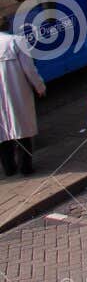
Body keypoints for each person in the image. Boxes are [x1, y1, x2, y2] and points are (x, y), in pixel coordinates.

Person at [0, 16, 45, 177]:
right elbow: (30, 70)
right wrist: (40, 87)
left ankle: (9, 168)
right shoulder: (17, 42)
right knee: (23, 130)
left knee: (3, 134)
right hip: (17, 93)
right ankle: (26, 167)